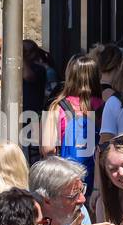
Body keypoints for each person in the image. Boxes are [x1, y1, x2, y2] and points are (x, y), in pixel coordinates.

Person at [41, 55, 102, 192]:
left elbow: (48, 149)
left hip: (67, 179)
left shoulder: (57, 107)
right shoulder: (103, 106)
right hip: (98, 180)